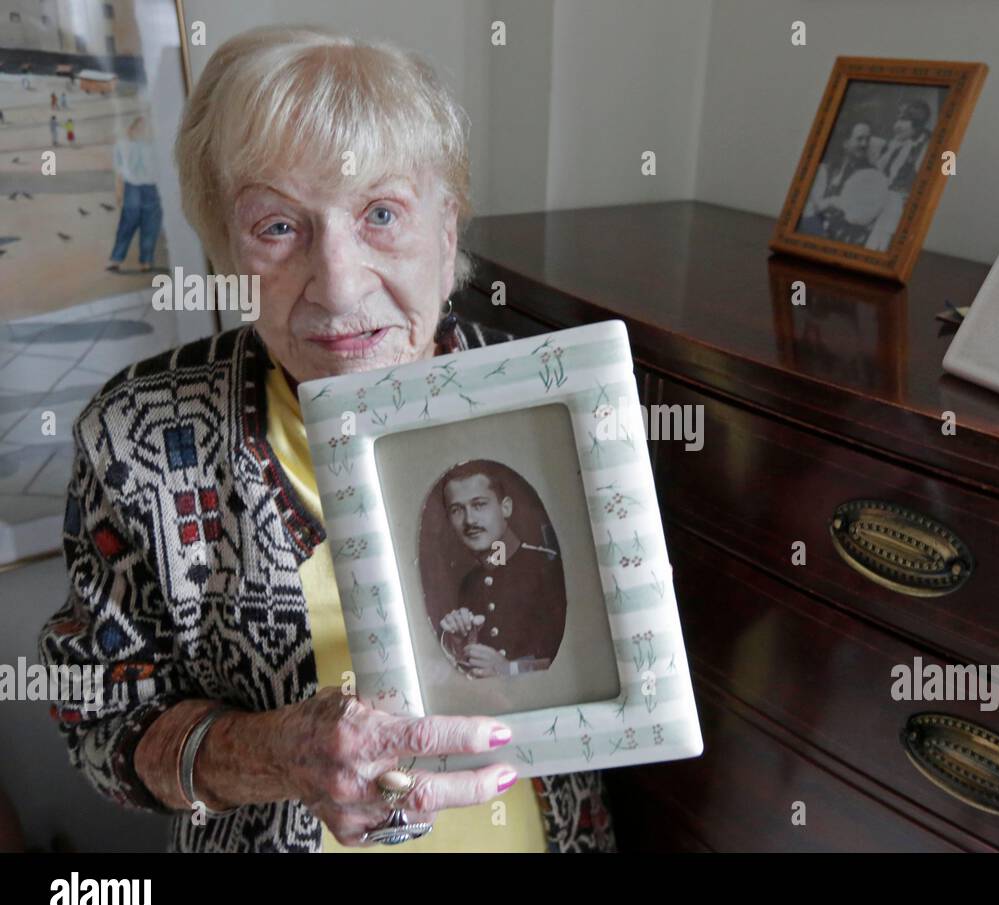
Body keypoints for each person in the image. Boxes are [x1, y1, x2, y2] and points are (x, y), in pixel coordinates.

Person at [38, 25, 614, 854]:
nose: (339, 284)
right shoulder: (137, 439)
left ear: (447, 232)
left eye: (382, 214)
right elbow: (101, 720)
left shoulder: (556, 405)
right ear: (225, 248)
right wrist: (273, 755)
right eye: (278, 227)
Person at [435, 462, 566, 678]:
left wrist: (509, 669)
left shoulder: (547, 566)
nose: (469, 520)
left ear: (505, 507)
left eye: (479, 505)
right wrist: (459, 642)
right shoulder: (470, 584)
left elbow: (575, 657)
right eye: (457, 510)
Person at [798, 120, 889, 245]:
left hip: (843, 237)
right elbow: (807, 204)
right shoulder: (827, 168)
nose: (865, 144)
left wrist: (832, 203)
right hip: (812, 226)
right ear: (845, 143)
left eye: (868, 139)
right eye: (860, 139)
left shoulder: (873, 176)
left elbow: (860, 214)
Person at [865, 100, 934, 251]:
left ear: (917, 122)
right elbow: (880, 171)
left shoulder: (932, 147)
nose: (896, 126)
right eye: (897, 119)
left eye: (903, 120)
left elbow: (943, 177)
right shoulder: (897, 143)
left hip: (904, 210)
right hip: (885, 202)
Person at [106, 116, 163, 273]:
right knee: (129, 224)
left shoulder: (153, 145)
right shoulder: (122, 146)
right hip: (133, 187)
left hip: (151, 187)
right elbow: (118, 172)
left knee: (149, 225)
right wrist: (119, 191)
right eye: (136, 128)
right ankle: (117, 259)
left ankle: (145, 260)